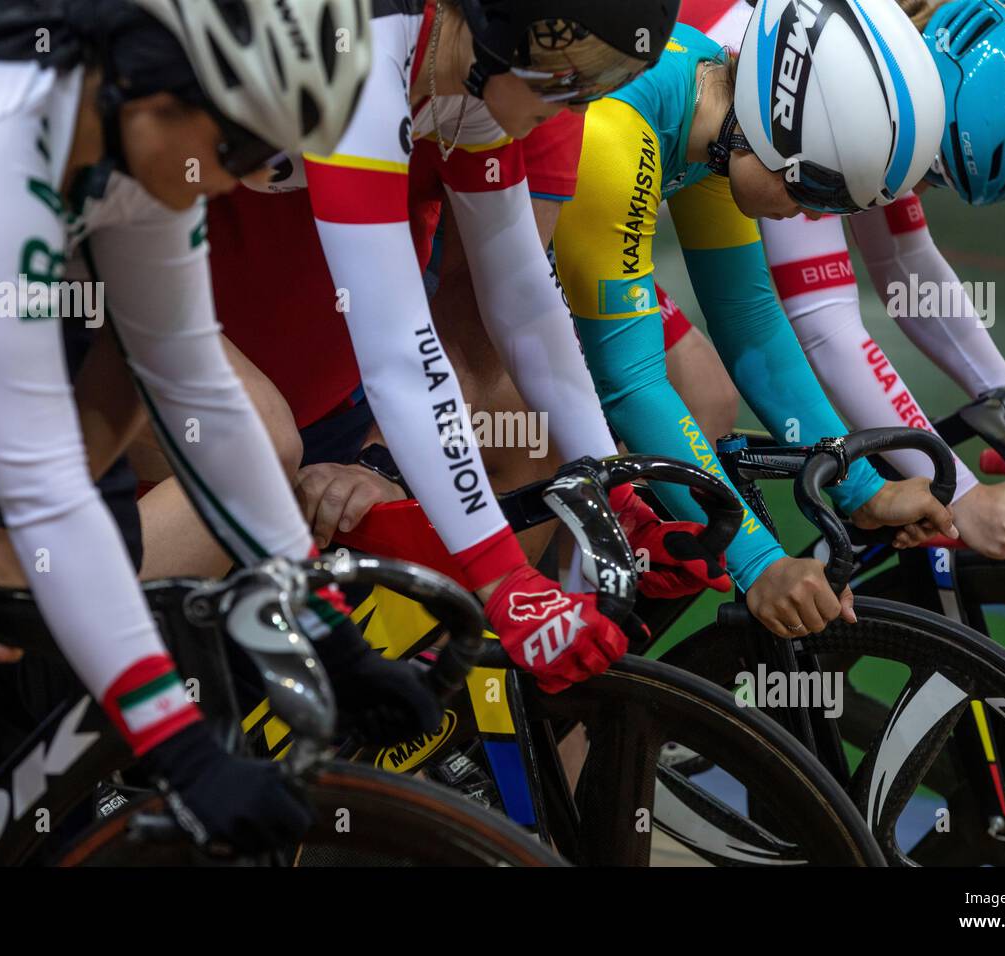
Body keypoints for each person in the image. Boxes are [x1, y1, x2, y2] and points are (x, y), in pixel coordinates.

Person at [0, 0, 436, 853]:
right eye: (239, 149)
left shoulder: (141, 144)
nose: (244, 182)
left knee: (19, 595)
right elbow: (45, 485)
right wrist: (186, 753)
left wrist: (324, 629)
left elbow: (193, 386)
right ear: (154, 91)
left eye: (277, 159)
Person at [297, 0, 748, 696]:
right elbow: (401, 352)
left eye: (601, 90)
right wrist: (506, 578)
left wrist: (613, 493)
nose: (579, 111)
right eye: (571, 86)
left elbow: (524, 304)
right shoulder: (370, 50)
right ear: (504, 31)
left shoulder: (471, 78)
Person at [553, 0, 959, 639]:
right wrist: (758, 562)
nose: (806, 218)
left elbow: (749, 323)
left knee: (700, 396)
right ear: (778, 132)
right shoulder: (618, 133)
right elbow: (628, 382)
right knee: (530, 448)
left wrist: (859, 489)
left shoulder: (723, 117)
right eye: (813, 192)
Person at [658, 0, 1005, 562]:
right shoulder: (820, 93)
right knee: (695, 401)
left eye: (931, 183)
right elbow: (826, 326)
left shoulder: (881, 74)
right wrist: (964, 498)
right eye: (925, 174)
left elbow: (908, 267)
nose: (910, 194)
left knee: (691, 396)